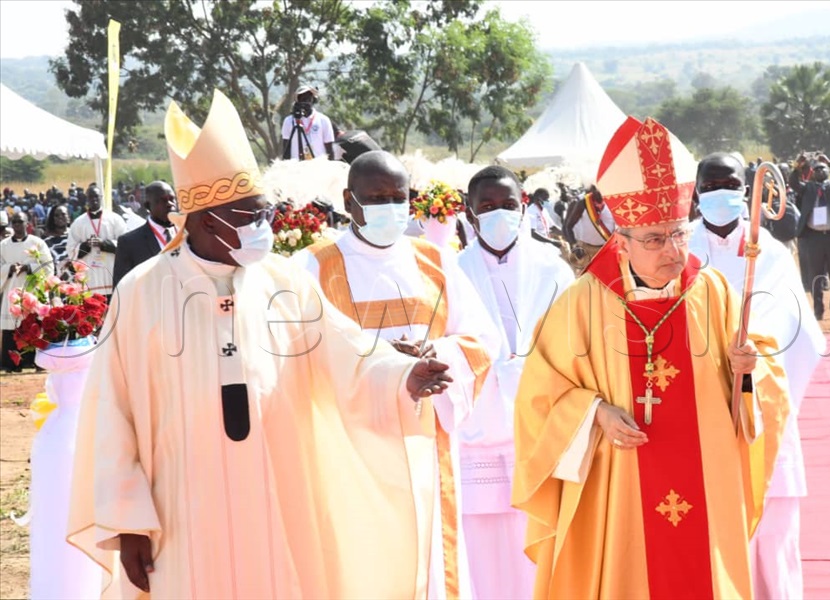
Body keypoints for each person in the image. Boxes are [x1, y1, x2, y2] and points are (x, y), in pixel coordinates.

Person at [68, 90, 454, 599]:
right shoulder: (141, 292)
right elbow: (111, 411)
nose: (264, 227)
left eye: (264, 213)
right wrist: (129, 522)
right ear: (206, 220)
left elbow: (347, 355)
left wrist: (401, 377)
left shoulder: (283, 281)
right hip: (183, 505)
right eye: (251, 215)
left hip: (278, 491)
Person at [512, 117, 789, 599]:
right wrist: (594, 412)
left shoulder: (714, 290)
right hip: (619, 480)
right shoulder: (583, 302)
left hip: (706, 475)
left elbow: (759, 374)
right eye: (655, 240)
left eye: (679, 234)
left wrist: (750, 371)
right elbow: (540, 394)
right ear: (621, 242)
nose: (673, 250)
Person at [294, 150, 500, 599]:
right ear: (349, 202)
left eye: (397, 196)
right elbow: (298, 354)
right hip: (351, 443)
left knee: (429, 560)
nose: (390, 207)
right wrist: (382, 359)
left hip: (425, 440)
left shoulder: (436, 262)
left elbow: (483, 338)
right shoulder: (313, 267)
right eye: (376, 198)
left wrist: (439, 353)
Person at [690, 152, 826, 599]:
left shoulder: (769, 251)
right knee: (708, 538)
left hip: (761, 410)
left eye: (728, 184)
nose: (719, 194)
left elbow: (795, 326)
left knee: (771, 539)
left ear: (745, 190)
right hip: (697, 414)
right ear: (695, 194)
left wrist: (754, 357)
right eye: (709, 188)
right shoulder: (679, 249)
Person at [456, 165, 573, 599]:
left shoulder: (554, 268)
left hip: (541, 428)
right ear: (470, 214)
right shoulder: (450, 273)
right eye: (487, 207)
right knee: (482, 552)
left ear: (524, 208)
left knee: (542, 547)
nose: (499, 215)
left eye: (508, 205)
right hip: (478, 429)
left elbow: (575, 342)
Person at [790, 154, 830, 320]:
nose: (819, 171)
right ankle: (818, 311)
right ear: (812, 172)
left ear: (827, 172)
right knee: (816, 276)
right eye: (816, 169)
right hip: (814, 238)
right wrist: (798, 165)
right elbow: (793, 183)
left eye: (822, 168)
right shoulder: (807, 189)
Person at [0, 211, 52, 371]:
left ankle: (34, 361)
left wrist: (28, 267)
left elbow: (49, 266)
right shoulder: (3, 245)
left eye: (20, 222)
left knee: (33, 326)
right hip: (12, 289)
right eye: (14, 222)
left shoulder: (38, 243)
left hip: (32, 290)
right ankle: (11, 364)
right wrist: (9, 268)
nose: (17, 225)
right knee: (11, 329)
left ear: (27, 223)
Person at [66, 184, 127, 300]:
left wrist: (104, 243)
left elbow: (125, 244)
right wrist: (86, 245)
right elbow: (70, 249)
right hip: (90, 277)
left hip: (111, 273)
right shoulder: (78, 223)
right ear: (86, 199)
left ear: (101, 197)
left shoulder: (115, 219)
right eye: (90, 197)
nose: (93, 199)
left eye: (96, 196)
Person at [112, 181, 178, 288]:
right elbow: (121, 289)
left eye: (172, 199)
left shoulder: (188, 235)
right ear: (148, 206)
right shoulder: (130, 243)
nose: (170, 204)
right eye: (163, 200)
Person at [562, 184, 615, 273]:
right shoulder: (583, 203)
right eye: (594, 188)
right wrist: (574, 246)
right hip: (587, 250)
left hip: (608, 248)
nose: (597, 191)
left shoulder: (611, 200)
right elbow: (568, 226)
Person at [281, 85, 335, 161]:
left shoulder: (323, 120)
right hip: (297, 167)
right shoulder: (289, 121)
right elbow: (285, 147)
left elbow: (329, 148)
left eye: (308, 99)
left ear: (313, 100)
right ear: (298, 101)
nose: (306, 102)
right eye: (303, 99)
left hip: (319, 166)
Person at [42, 204, 71, 274]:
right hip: (55, 279)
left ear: (68, 217)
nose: (60, 217)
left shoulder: (75, 235)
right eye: (56, 215)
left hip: (78, 277)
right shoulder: (46, 241)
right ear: (53, 219)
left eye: (63, 214)